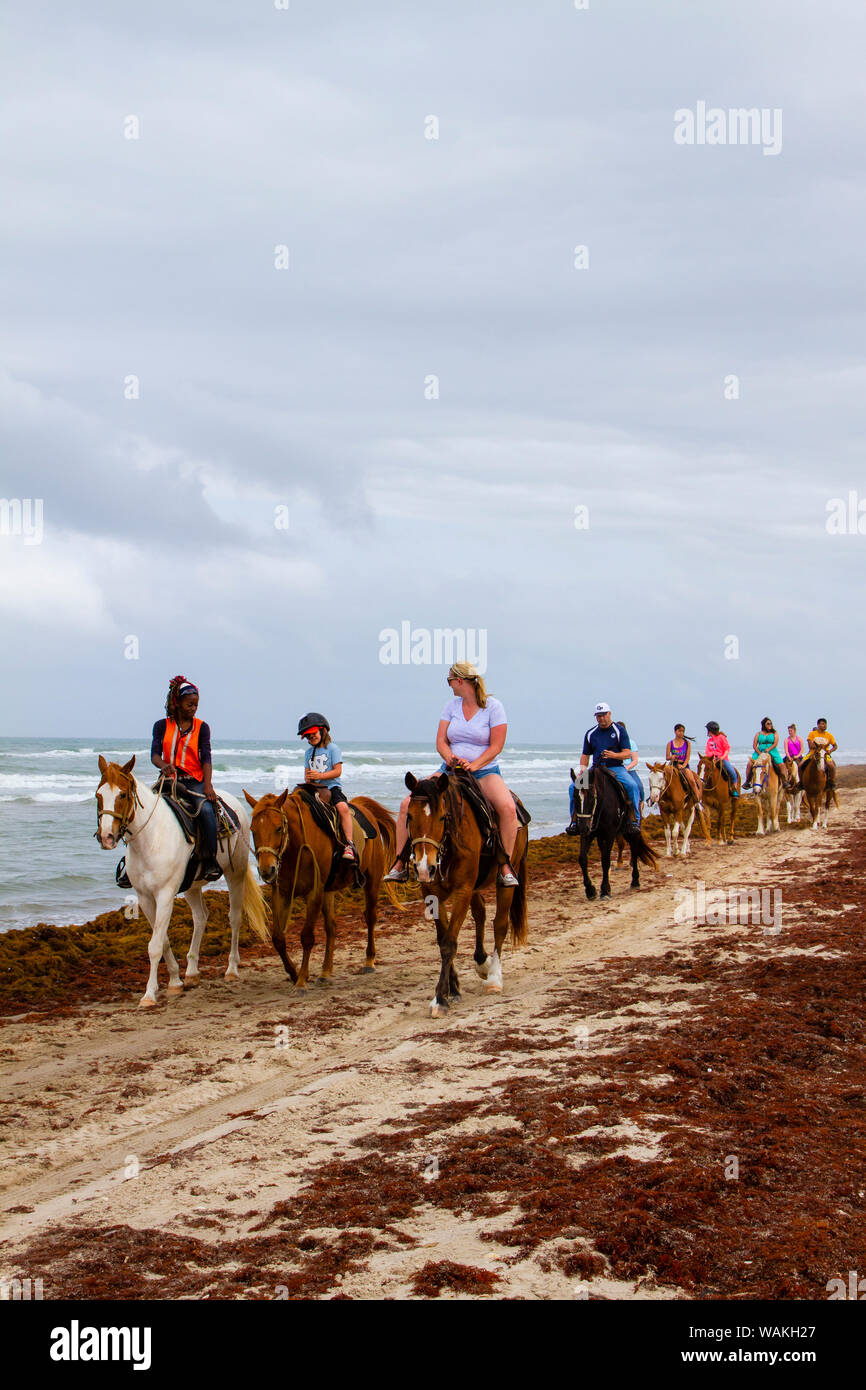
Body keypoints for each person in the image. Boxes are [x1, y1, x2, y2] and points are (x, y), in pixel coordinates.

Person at [385, 662, 519, 886]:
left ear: (460, 681)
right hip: (450, 771)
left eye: (449, 680)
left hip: (484, 771)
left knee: (507, 809)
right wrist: (450, 758)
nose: (448, 685)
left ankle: (505, 866)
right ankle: (400, 863)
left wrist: (474, 765)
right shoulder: (451, 706)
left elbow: (496, 746)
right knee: (406, 805)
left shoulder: (494, 707)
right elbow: (441, 741)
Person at [151, 675, 221, 880]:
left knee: (207, 811)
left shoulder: (202, 727)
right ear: (177, 703)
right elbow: (154, 755)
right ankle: (131, 864)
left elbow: (206, 758)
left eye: (196, 704)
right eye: (190, 704)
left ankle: (210, 860)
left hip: (194, 782)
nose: (193, 708)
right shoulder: (161, 726)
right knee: (140, 810)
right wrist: (163, 766)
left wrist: (208, 786)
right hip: (169, 780)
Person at [297, 713, 357, 860]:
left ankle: (349, 844)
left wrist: (320, 776)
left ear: (323, 731)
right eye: (308, 737)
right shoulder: (308, 753)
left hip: (331, 788)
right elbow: (306, 773)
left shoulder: (332, 749)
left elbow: (338, 771)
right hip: (313, 788)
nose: (311, 738)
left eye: (313, 734)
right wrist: (309, 778)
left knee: (342, 808)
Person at [578, 703, 641, 830]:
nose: (601, 718)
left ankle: (635, 819)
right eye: (598, 716)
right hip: (596, 768)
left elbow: (627, 753)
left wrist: (614, 755)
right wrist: (583, 770)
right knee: (574, 787)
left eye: (603, 715)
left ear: (609, 714)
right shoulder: (591, 733)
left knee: (632, 786)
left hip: (616, 767)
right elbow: (585, 755)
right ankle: (575, 821)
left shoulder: (619, 731)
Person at [665, 723, 704, 804]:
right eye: (679, 731)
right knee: (663, 777)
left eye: (683, 731)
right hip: (673, 764)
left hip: (684, 765)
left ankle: (696, 797)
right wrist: (672, 757)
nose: (681, 733)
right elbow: (667, 757)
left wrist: (683, 766)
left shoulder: (687, 743)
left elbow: (687, 757)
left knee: (691, 779)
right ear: (675, 732)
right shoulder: (670, 743)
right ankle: (658, 798)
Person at [744, 717, 785, 790]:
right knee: (750, 764)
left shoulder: (774, 733)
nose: (770, 725)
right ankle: (748, 781)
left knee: (781, 764)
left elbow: (775, 743)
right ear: (764, 725)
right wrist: (759, 753)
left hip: (772, 750)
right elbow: (754, 745)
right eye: (768, 724)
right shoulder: (758, 734)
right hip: (760, 751)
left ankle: (784, 781)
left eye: (771, 723)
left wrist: (769, 749)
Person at [702, 722, 739, 797]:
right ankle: (703, 786)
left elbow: (726, 749)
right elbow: (707, 751)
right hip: (712, 760)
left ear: (711, 730)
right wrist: (711, 758)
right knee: (703, 769)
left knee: (732, 771)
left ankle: (734, 789)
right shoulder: (709, 741)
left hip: (722, 759)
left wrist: (722, 757)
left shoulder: (721, 737)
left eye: (708, 730)